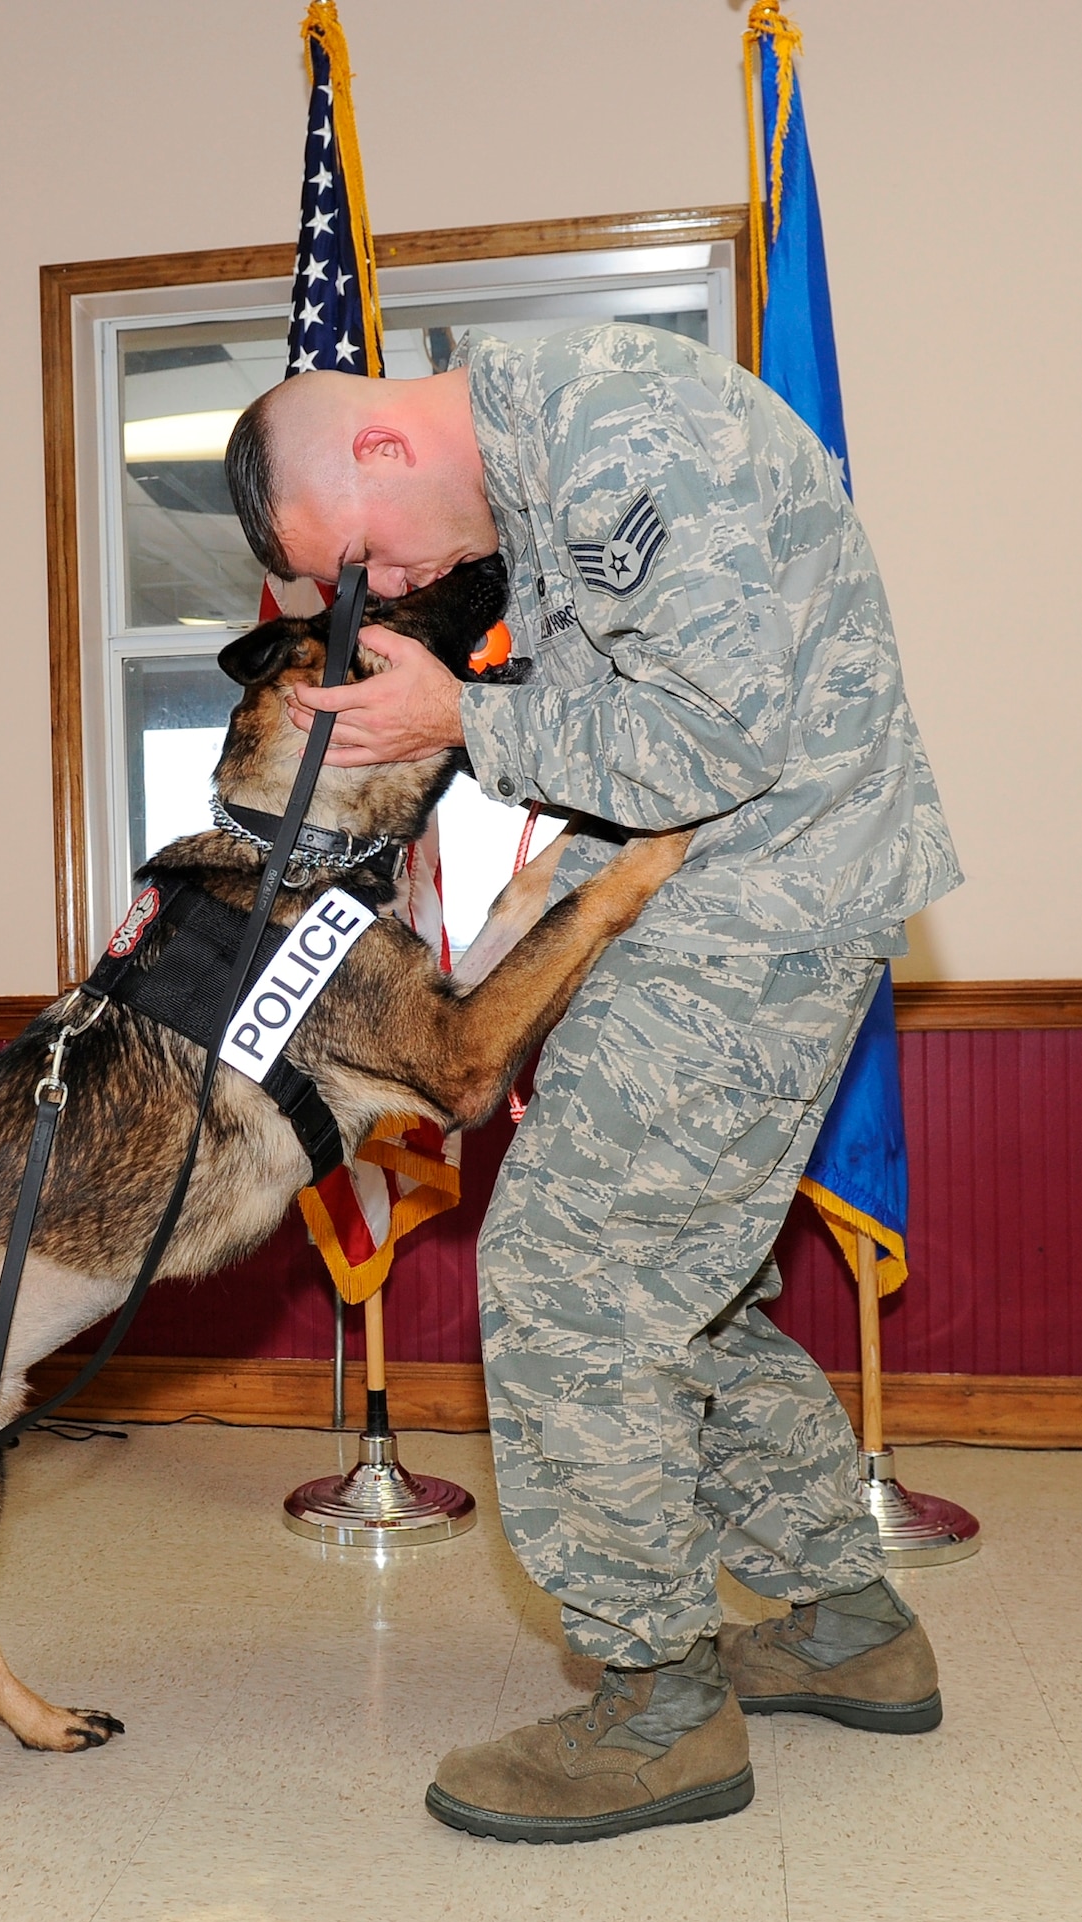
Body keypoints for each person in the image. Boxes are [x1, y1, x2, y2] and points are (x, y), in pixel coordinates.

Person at [224, 324, 962, 1844]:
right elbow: (625, 774)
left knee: (575, 1283)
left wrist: (459, 716)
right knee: (676, 1289)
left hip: (755, 910)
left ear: (375, 449)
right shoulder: (550, 444)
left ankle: (655, 1708)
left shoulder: (616, 428)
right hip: (704, 904)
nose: (397, 592)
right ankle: (840, 1620)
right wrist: (526, 988)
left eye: (361, 560)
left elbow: (709, 733)